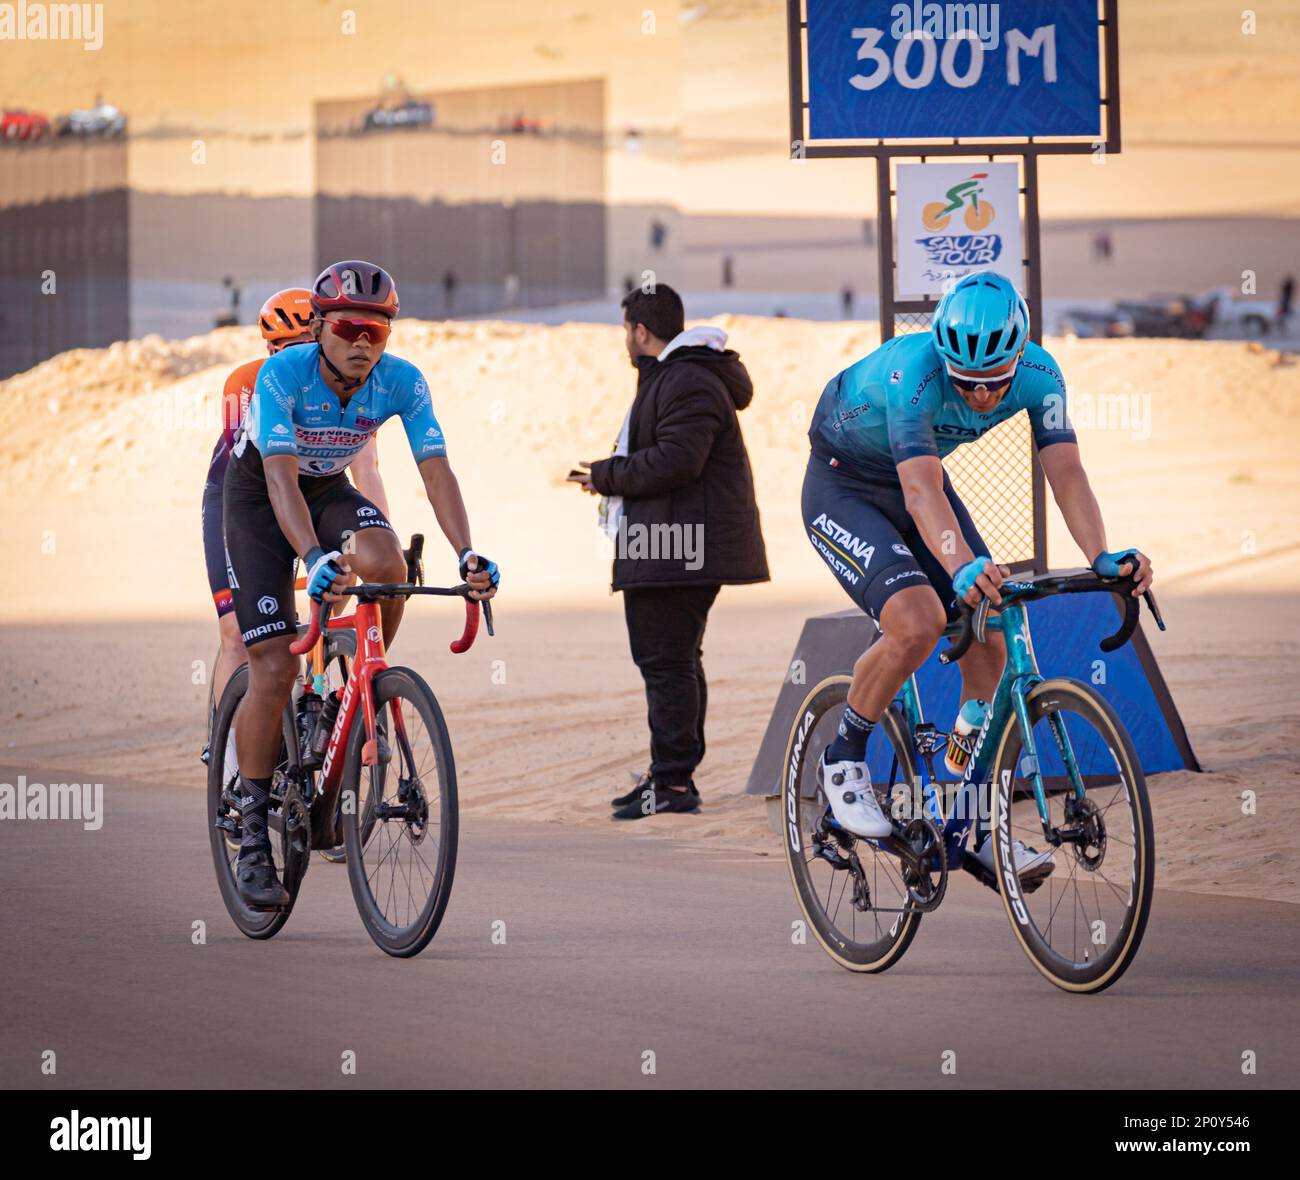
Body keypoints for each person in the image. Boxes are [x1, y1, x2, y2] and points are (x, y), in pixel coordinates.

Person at [802, 271, 1153, 884]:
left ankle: (969, 818)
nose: (983, 395)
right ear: (944, 358)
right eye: (967, 383)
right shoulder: (915, 373)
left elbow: (1066, 473)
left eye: (995, 381)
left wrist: (1100, 556)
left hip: (923, 483)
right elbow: (918, 491)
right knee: (919, 623)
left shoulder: (1042, 375)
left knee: (989, 630)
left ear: (1019, 356)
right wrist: (960, 564)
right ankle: (843, 758)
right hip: (846, 485)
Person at [223, 260, 499, 908]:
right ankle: (256, 837)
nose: (360, 344)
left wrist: (468, 554)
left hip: (327, 489)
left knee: (388, 565)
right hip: (260, 497)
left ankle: (365, 680)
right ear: (320, 326)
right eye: (348, 328)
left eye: (376, 333)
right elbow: (280, 482)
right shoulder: (282, 374)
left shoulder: (402, 382)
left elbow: (436, 472)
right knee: (271, 666)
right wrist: (315, 558)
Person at [569, 284, 769, 819]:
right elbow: (665, 456)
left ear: (640, 330)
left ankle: (676, 783)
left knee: (667, 662)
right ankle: (670, 773)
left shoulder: (688, 379)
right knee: (674, 660)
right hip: (670, 544)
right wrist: (603, 475)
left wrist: (606, 476)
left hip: (680, 548)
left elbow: (678, 461)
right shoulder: (677, 377)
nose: (624, 340)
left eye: (625, 330)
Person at [201, 288, 389, 728]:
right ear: (270, 349)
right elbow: (260, 482)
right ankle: (230, 756)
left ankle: (314, 708)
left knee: (331, 602)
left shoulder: (350, 386)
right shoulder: (247, 384)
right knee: (236, 634)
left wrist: (380, 542)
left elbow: (368, 472)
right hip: (243, 494)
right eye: (290, 349)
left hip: (317, 491)